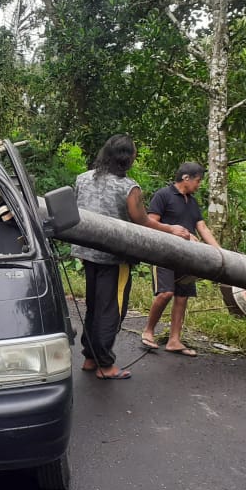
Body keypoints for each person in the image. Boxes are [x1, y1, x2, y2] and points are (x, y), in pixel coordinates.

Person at [72, 135, 191, 380]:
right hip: (114, 258)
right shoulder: (129, 187)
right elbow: (142, 221)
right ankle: (106, 365)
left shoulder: (83, 179)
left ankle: (90, 357)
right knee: (112, 310)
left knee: (94, 307)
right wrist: (171, 229)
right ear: (127, 158)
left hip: (87, 252)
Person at [141, 162, 220, 356]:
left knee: (182, 296)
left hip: (187, 257)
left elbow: (202, 227)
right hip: (164, 254)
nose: (199, 185)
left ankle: (174, 340)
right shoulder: (163, 195)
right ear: (186, 178)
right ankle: (148, 331)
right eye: (198, 181)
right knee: (165, 293)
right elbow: (150, 222)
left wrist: (219, 251)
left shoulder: (192, 202)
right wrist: (174, 232)